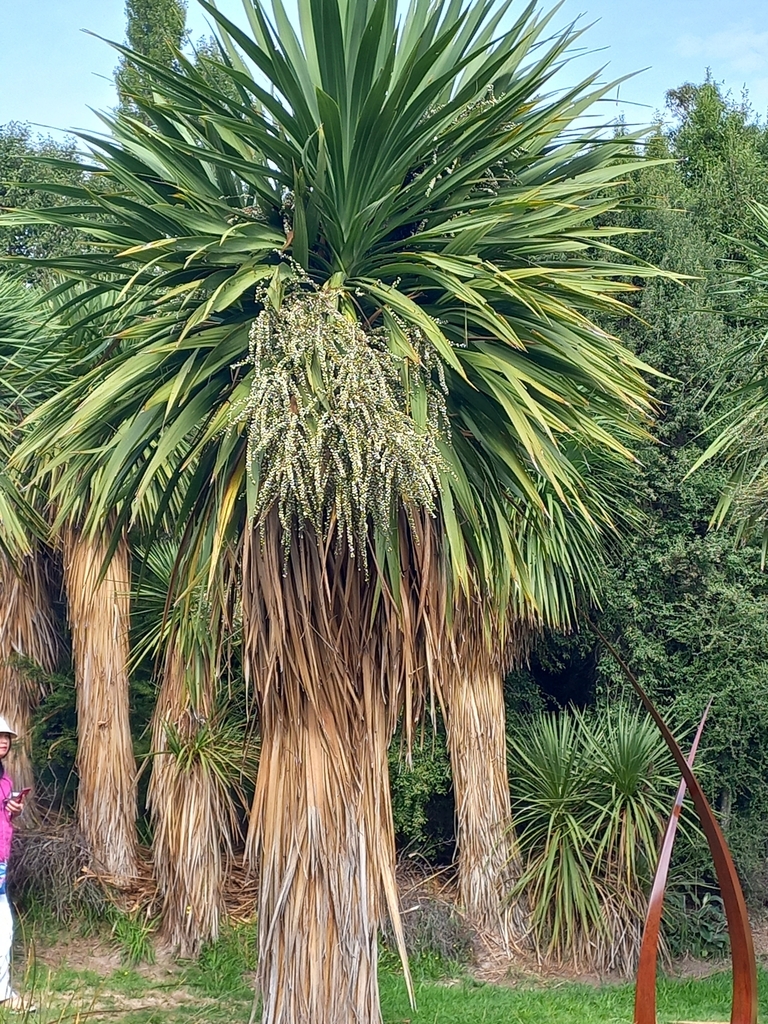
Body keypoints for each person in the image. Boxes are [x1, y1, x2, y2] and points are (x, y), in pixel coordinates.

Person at [0, 716, 28, 1012]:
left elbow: (6, 819)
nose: (4, 742)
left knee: (3, 926)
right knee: (3, 926)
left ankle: (3, 992)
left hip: (1, 859)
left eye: (6, 737)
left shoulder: (5, 779)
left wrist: (14, 809)